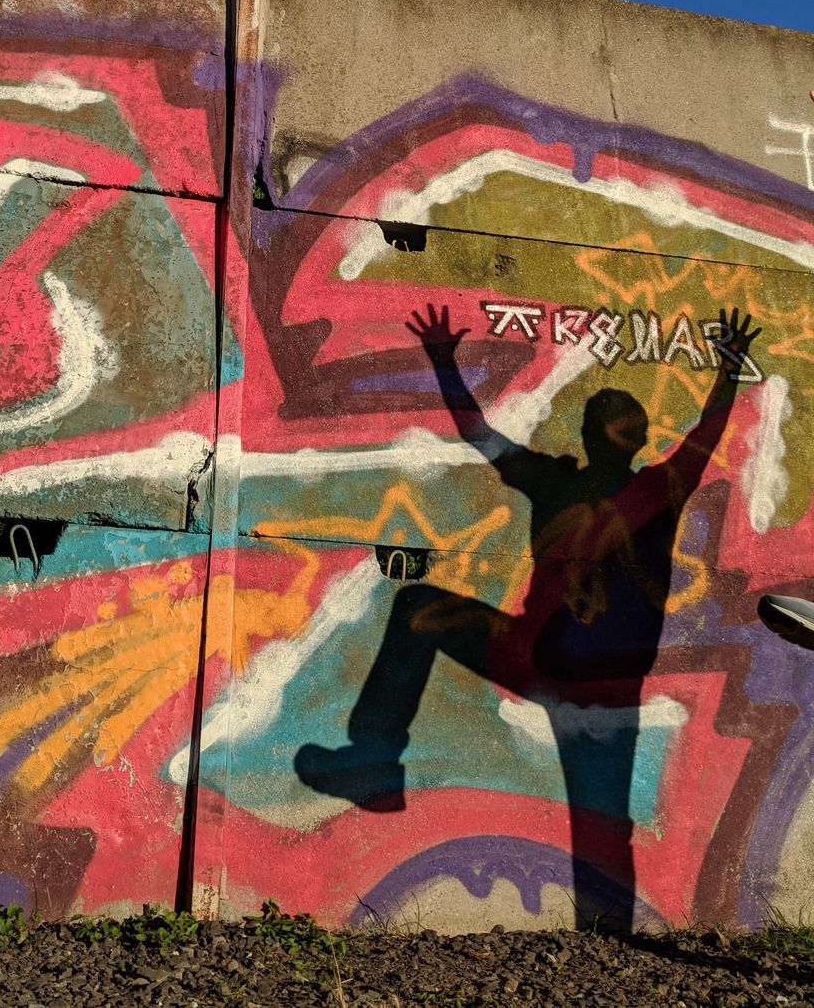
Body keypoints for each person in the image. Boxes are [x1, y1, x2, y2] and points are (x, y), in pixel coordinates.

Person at [296, 304, 761, 932]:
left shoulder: (620, 486)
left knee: (602, 831)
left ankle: (379, 759)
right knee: (419, 609)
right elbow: (483, 438)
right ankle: (375, 763)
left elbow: (482, 436)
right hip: (557, 668)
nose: (616, 433)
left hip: (574, 677)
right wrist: (442, 363)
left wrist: (443, 362)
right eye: (617, 423)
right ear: (619, 436)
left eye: (618, 423)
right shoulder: (606, 484)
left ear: (608, 437)